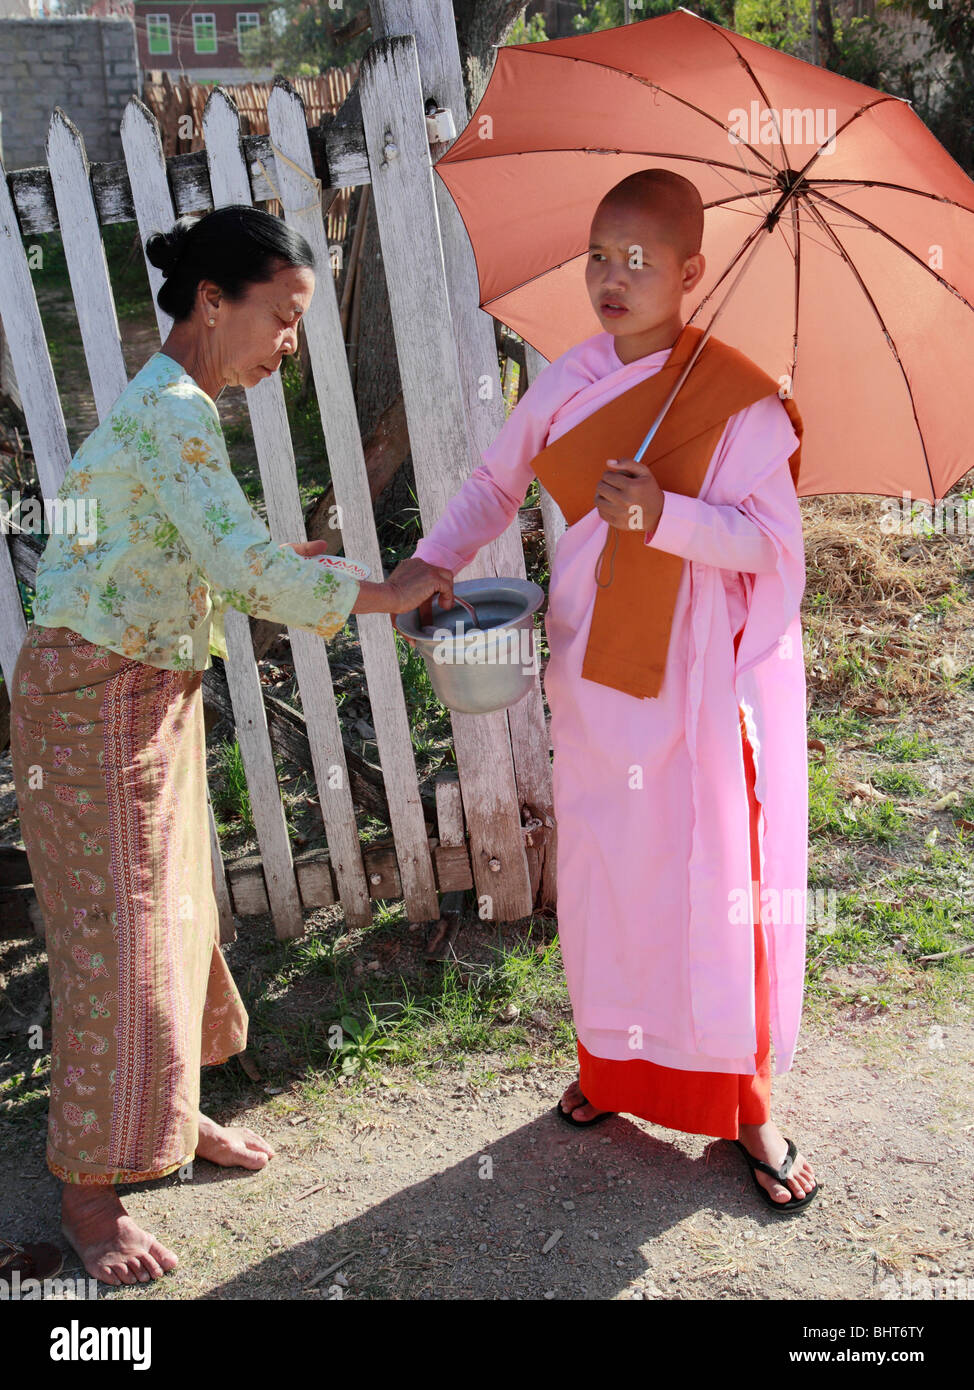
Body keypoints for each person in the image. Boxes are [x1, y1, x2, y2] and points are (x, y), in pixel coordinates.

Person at [9, 204, 452, 1285]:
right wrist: (386, 592)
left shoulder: (169, 406)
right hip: (97, 699)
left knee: (175, 907)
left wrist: (258, 560)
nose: (290, 344)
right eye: (283, 317)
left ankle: (164, 1116)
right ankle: (89, 1192)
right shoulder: (173, 414)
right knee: (118, 936)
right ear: (214, 302)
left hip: (133, 683)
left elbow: (195, 547)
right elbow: (245, 569)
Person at [397, 170, 819, 1213]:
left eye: (638, 261)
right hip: (596, 679)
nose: (609, 278)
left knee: (708, 884)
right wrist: (430, 561)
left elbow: (773, 552)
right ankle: (611, 1068)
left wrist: (663, 516)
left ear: (690, 273)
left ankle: (744, 1107)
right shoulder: (567, 380)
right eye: (597, 255)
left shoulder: (740, 402)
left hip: (698, 691)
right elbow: (496, 483)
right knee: (606, 877)